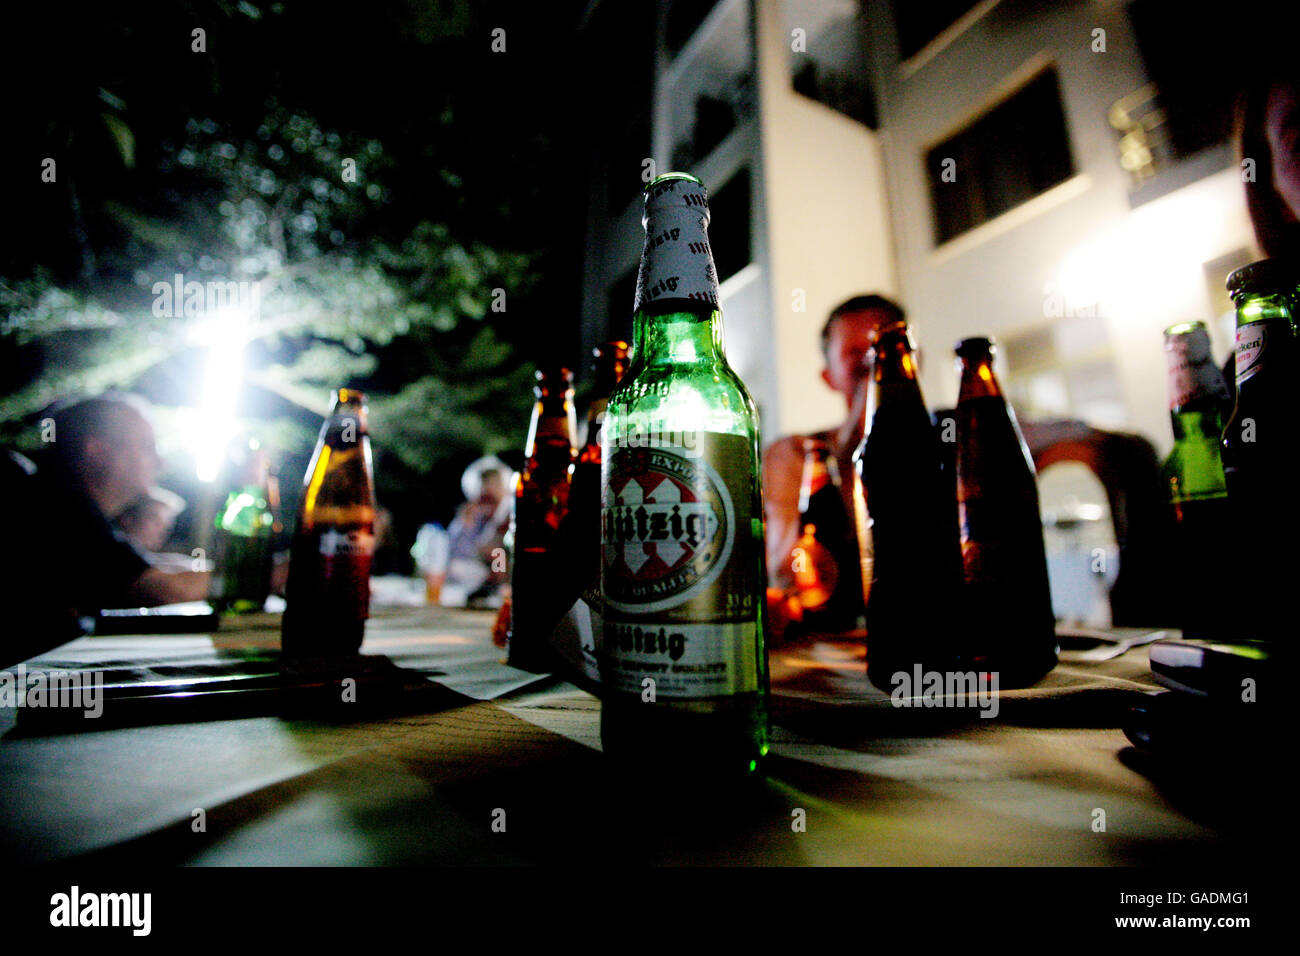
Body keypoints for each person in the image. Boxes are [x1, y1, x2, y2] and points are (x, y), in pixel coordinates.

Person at [0, 394, 212, 667]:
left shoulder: (57, 499)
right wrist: (266, 572)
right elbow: (166, 590)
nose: (160, 462)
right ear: (97, 451)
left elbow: (141, 566)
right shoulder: (57, 505)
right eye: (147, 447)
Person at [762, 294, 905, 625]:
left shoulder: (954, 433)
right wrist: (852, 443)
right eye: (855, 355)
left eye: (884, 346)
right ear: (828, 377)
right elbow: (788, 570)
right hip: (836, 643)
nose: (872, 360)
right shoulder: (799, 454)